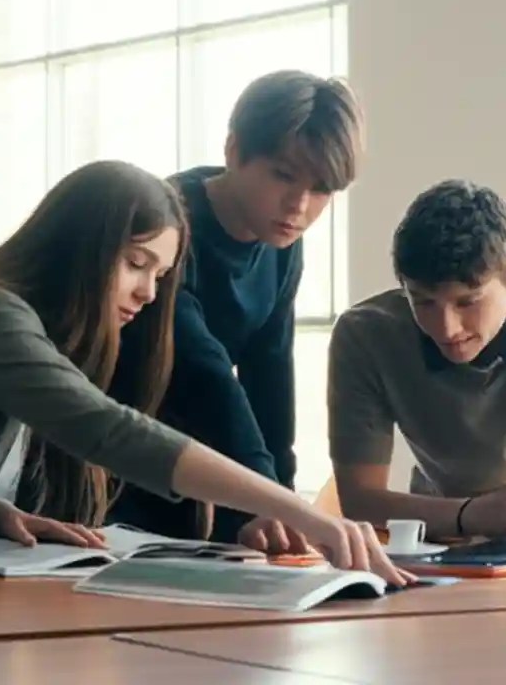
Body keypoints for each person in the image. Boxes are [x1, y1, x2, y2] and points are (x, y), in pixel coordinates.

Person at [0, 160, 409, 585]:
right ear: (80, 245)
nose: (149, 293)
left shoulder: (29, 328)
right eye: (135, 263)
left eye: (160, 273)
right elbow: (108, 430)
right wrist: (307, 513)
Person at [110, 70, 361, 552]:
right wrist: (268, 503)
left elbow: (269, 375)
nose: (300, 206)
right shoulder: (167, 221)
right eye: (284, 175)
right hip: (111, 449)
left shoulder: (282, 243)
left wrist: (282, 501)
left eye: (322, 188)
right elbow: (204, 373)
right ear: (233, 152)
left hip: (192, 466)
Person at [328, 179, 506, 542]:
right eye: (423, 301)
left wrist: (472, 517)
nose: (447, 328)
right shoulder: (363, 335)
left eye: (468, 301)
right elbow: (360, 503)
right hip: (442, 543)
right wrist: (470, 515)